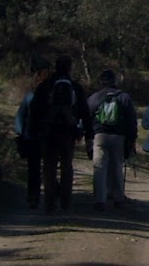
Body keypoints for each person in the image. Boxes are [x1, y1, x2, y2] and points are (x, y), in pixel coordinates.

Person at [30, 56, 89, 213]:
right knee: (66, 166)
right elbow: (84, 111)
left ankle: (49, 202)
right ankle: (65, 201)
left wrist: (34, 131)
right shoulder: (76, 87)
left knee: (49, 167)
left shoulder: (45, 86)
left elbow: (34, 110)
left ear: (55, 67)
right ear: (69, 68)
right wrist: (86, 133)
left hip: (48, 132)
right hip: (68, 132)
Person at [88, 68, 137, 211]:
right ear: (115, 81)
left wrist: (88, 137)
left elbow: (87, 116)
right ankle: (118, 198)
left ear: (102, 81)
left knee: (99, 168)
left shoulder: (95, 97)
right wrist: (131, 139)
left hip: (100, 135)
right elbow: (131, 120)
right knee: (117, 167)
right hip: (119, 137)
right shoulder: (124, 97)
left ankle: (100, 200)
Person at [13, 66, 49, 209]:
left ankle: (33, 196)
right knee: (49, 168)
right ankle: (51, 196)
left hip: (32, 136)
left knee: (33, 169)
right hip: (49, 137)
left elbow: (20, 116)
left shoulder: (30, 95)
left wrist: (20, 133)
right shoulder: (53, 96)